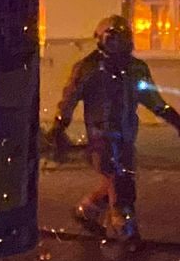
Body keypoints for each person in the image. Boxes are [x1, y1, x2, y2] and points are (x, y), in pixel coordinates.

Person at [50, 14, 180, 243]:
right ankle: (127, 234)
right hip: (101, 138)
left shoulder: (136, 69)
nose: (118, 45)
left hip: (127, 136)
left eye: (122, 38)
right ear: (101, 39)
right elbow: (70, 99)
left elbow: (153, 100)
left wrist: (174, 119)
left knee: (118, 180)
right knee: (122, 185)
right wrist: (59, 127)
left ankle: (86, 210)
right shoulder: (89, 68)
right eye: (112, 39)